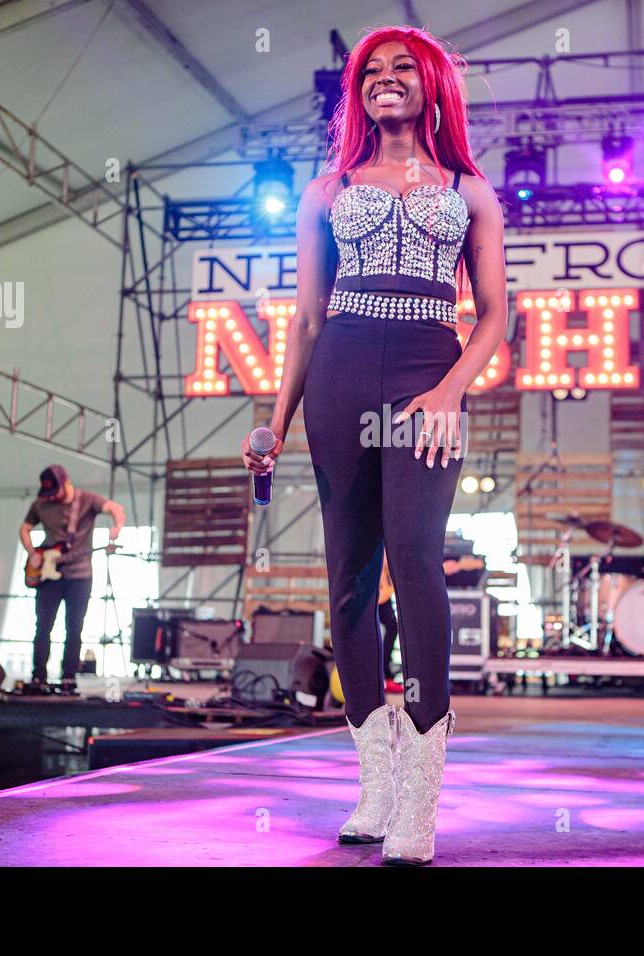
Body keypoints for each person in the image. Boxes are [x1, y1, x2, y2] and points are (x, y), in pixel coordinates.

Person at [242, 25, 506, 865]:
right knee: (348, 577)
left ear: (432, 84)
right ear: (358, 94)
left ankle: (422, 794)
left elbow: (496, 312)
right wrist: (274, 423)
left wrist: (450, 389)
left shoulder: (472, 190)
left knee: (417, 561)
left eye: (402, 69)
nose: (385, 81)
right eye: (371, 73)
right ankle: (376, 785)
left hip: (430, 372)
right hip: (341, 376)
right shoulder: (326, 190)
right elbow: (309, 318)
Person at [19, 465, 125, 684]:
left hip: (80, 575)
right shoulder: (41, 504)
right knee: (43, 626)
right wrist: (33, 554)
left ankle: (68, 677)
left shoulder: (87, 500)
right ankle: (38, 676)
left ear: (65, 482)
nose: (52, 497)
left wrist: (117, 526)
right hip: (48, 575)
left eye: (54, 492)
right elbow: (24, 529)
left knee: (74, 626)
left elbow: (115, 507)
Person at [378, 551, 402, 692]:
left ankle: (384, 670)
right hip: (379, 593)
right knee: (391, 627)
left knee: (392, 627)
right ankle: (383, 670)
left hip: (382, 593)